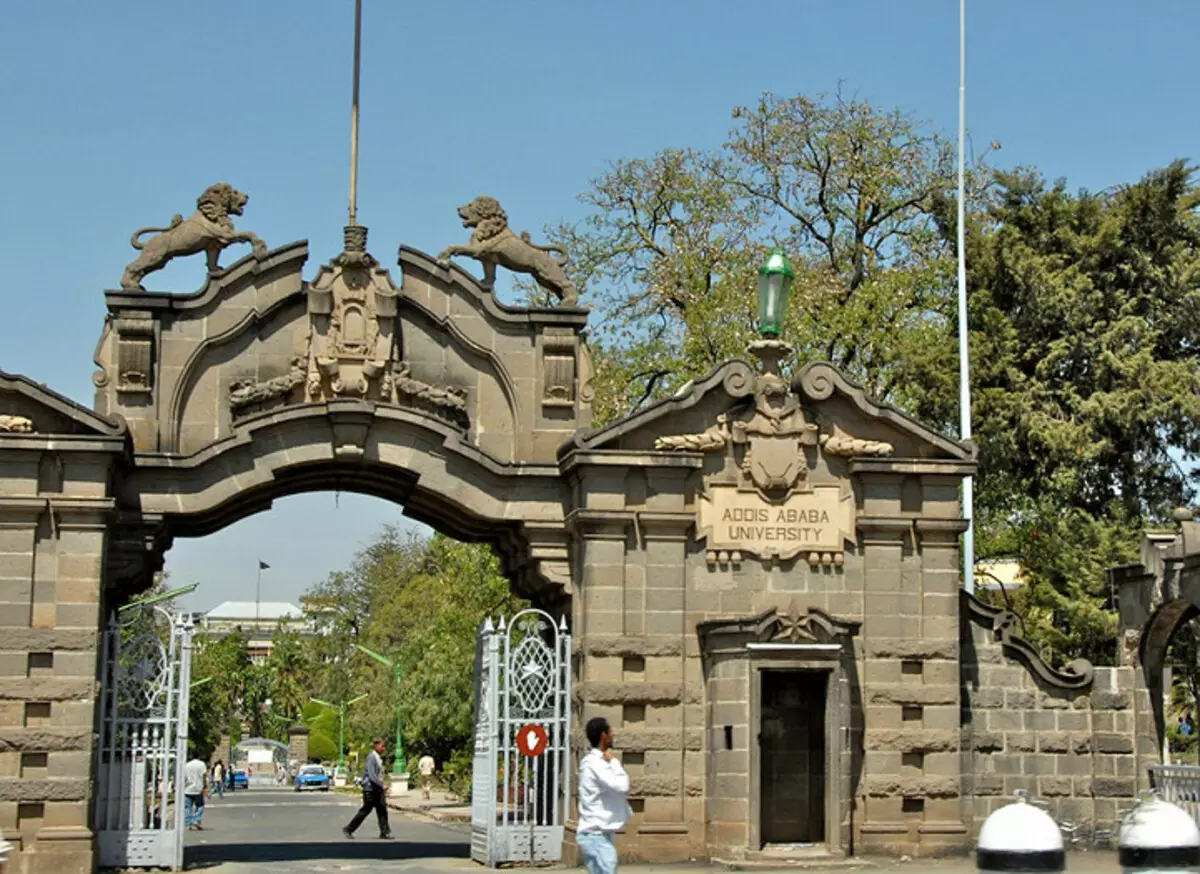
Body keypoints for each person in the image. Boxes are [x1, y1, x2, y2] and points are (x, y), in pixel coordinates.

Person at [576, 717, 630, 874]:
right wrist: (614, 762)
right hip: (595, 835)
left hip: (596, 835)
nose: (613, 736)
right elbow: (622, 785)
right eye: (610, 732)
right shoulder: (595, 763)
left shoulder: (591, 762)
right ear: (603, 735)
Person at [343, 738, 392, 840]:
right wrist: (381, 785)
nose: (384, 748)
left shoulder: (378, 758)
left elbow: (378, 774)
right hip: (370, 789)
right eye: (382, 746)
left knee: (382, 809)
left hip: (377, 788)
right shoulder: (371, 758)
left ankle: (385, 832)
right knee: (366, 810)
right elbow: (371, 775)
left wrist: (381, 785)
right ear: (376, 746)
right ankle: (349, 828)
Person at [183, 754, 208, 831]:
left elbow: (184, 777)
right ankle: (196, 820)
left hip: (188, 788)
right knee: (200, 805)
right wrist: (205, 786)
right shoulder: (202, 764)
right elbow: (204, 776)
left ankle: (188, 824)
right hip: (198, 788)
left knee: (187, 807)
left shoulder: (187, 765)